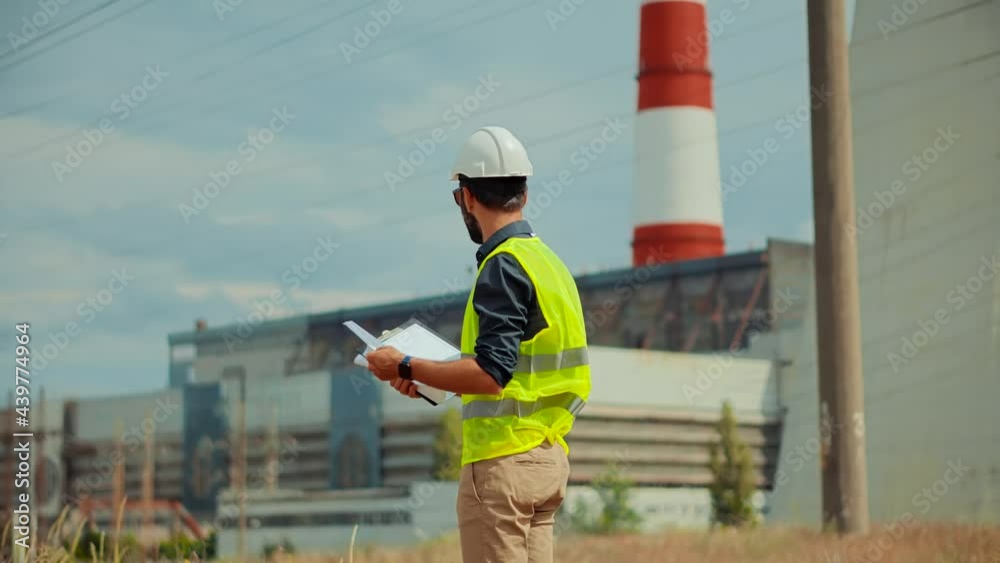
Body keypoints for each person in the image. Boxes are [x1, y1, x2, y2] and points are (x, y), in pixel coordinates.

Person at [366, 126, 592, 563]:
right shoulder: (550, 264)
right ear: (523, 195)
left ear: (467, 197)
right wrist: (432, 379)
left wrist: (406, 365)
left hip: (503, 466)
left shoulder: (501, 266)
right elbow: (515, 371)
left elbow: (491, 374)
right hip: (546, 461)